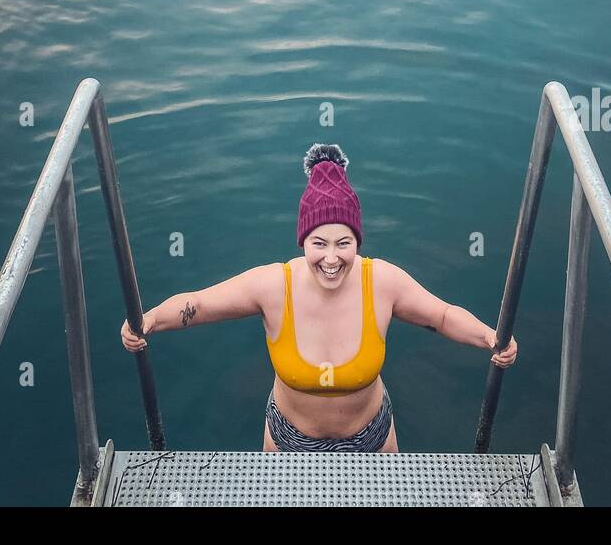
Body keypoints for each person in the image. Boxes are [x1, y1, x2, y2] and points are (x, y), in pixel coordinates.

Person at [121, 143, 517, 451]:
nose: (331, 258)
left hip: (372, 437)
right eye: (318, 243)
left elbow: (443, 316)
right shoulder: (274, 285)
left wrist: (490, 337)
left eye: (344, 243)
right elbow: (200, 305)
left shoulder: (381, 281)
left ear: (357, 242)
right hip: (289, 438)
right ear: (302, 242)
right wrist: (149, 320)